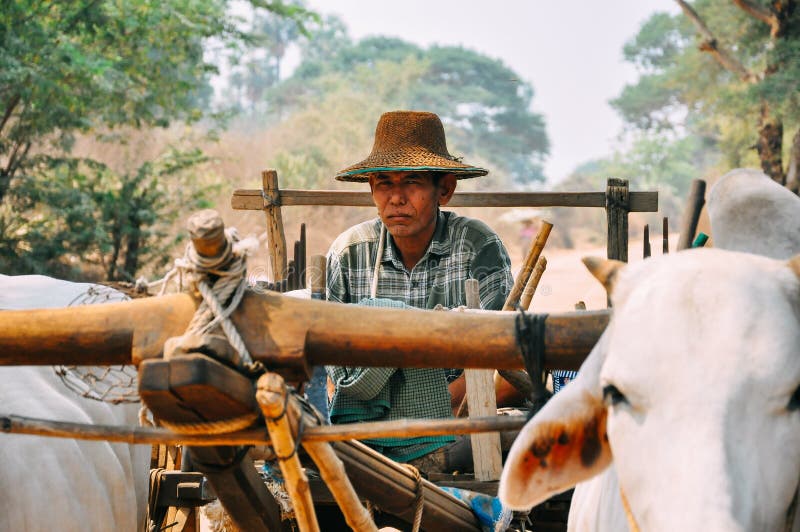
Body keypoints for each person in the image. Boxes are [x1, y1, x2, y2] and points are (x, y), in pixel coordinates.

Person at [325, 110, 513, 472]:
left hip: (454, 421)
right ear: (371, 190)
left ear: (444, 189)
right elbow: (329, 366)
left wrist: (420, 415)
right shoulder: (350, 252)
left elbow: (506, 370)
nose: (396, 198)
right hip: (362, 423)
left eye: (411, 182)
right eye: (384, 184)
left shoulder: (476, 246)